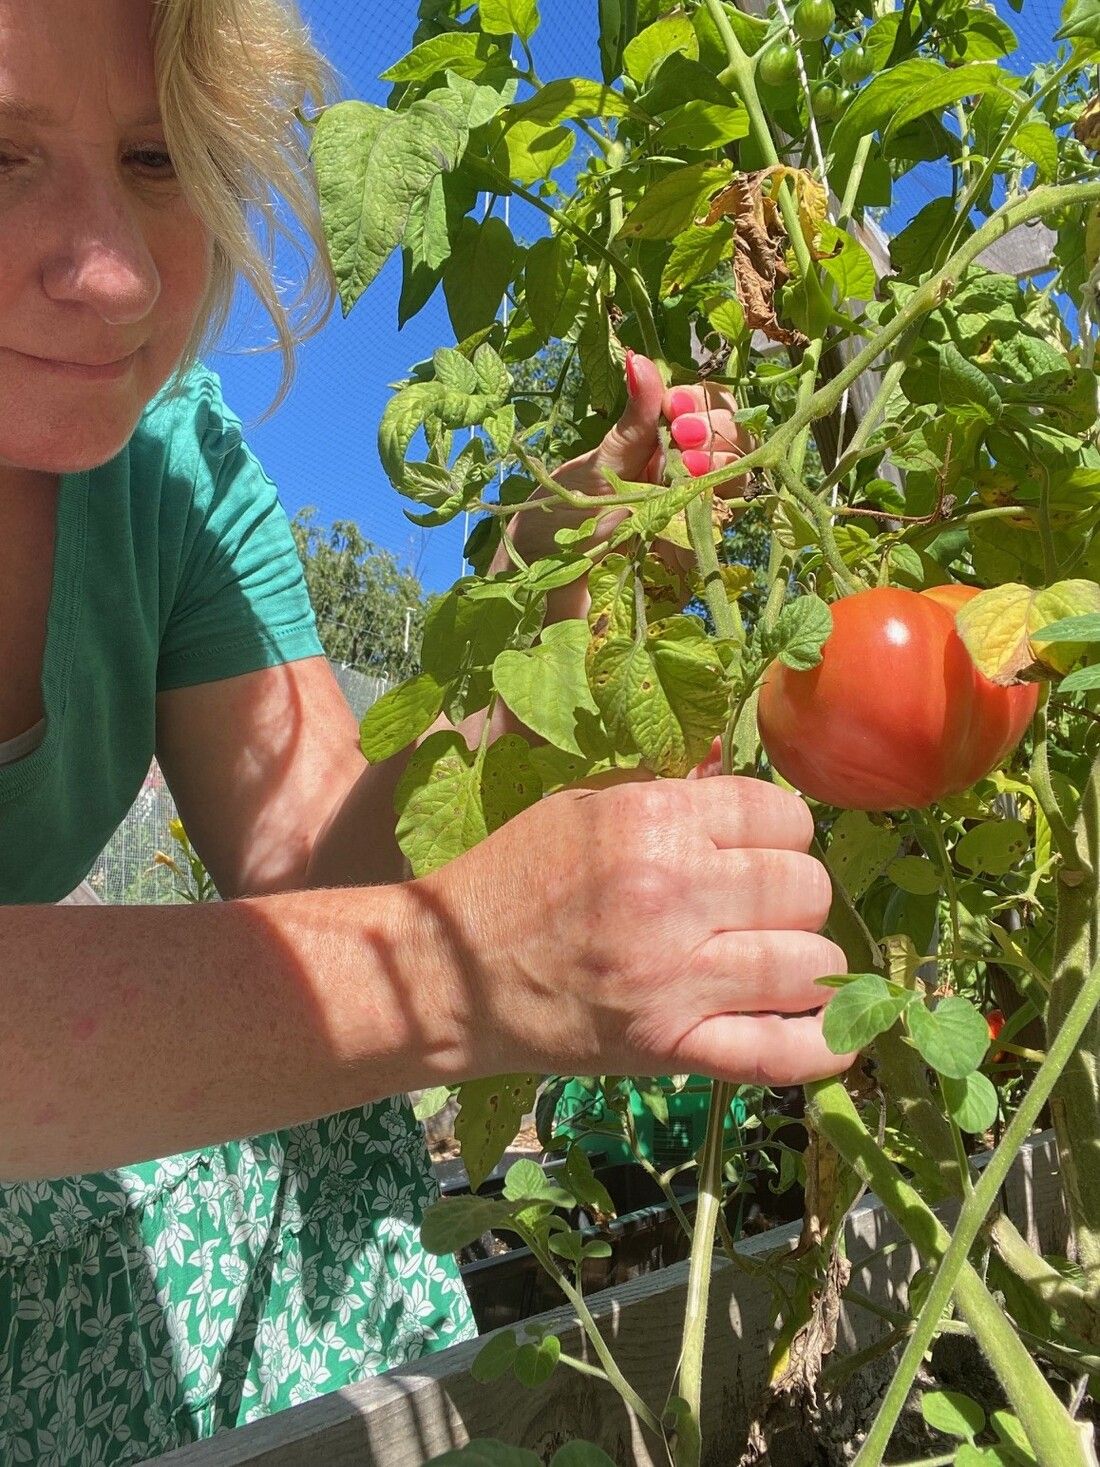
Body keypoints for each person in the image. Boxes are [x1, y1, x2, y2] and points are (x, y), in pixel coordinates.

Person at [0, 0, 851, 1461]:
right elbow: (390, 949)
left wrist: (549, 576)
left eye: (154, 159)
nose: (113, 272)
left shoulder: (172, 470)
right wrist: (461, 967)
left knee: (331, 1105)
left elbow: (315, 871)